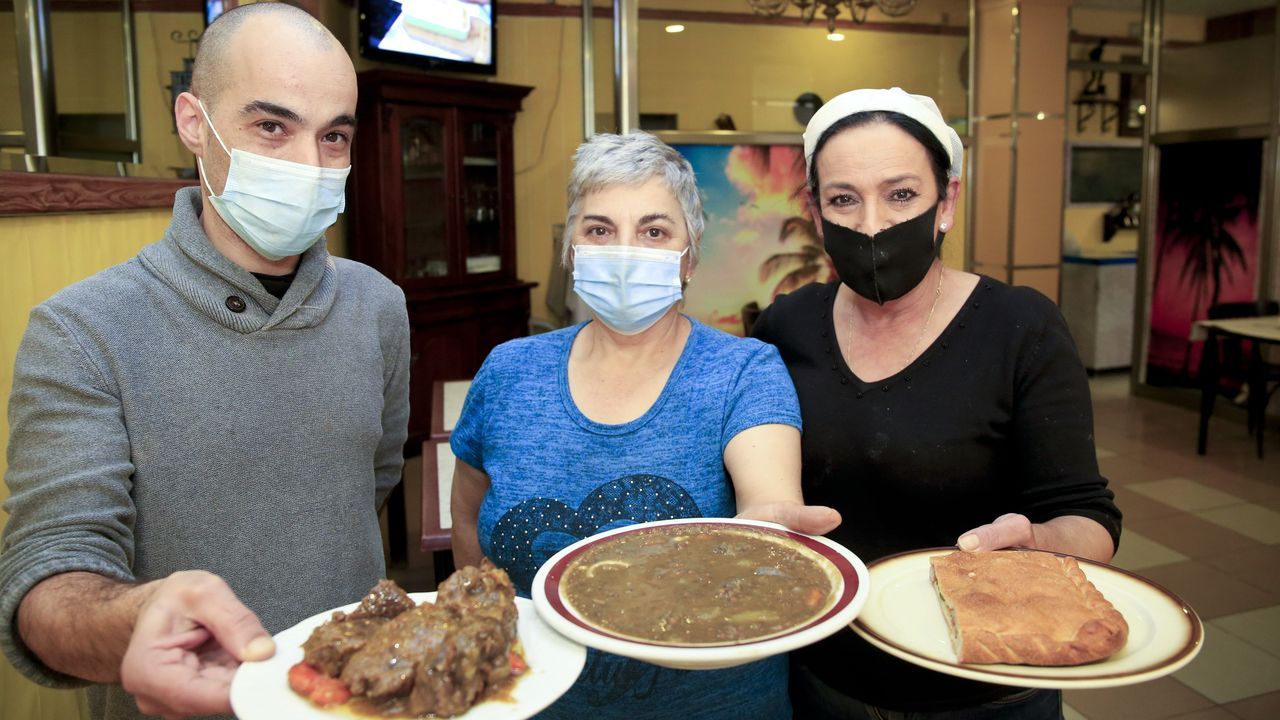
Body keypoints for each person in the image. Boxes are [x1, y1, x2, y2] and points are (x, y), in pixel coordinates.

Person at [0, 5, 409, 719]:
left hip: (358, 698)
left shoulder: (378, 305)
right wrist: (136, 616)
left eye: (334, 136)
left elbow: (368, 478)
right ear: (194, 122)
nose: (309, 165)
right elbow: (47, 576)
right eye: (272, 126)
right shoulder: (81, 331)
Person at [750, 88, 1123, 719]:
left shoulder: (1018, 328)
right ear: (815, 213)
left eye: (901, 194)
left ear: (945, 201)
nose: (872, 226)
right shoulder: (785, 325)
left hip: (987, 684)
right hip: (823, 679)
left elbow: (1089, 517)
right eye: (844, 199)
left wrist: (1037, 541)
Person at [449, 131, 841, 720]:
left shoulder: (742, 371)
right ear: (570, 250)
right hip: (531, 702)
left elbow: (770, 496)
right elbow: (465, 521)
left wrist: (767, 529)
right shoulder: (508, 372)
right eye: (599, 229)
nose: (625, 251)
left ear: (689, 256)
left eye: (654, 231)